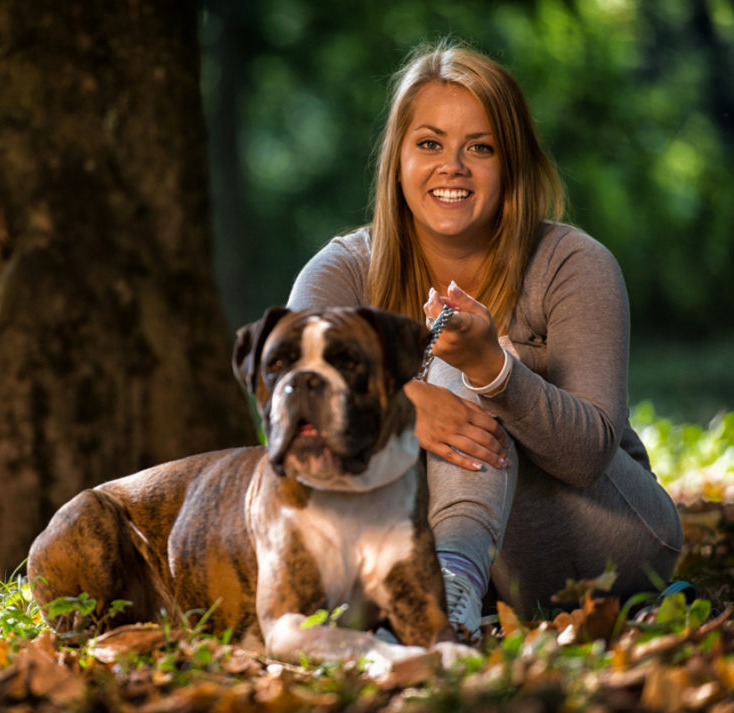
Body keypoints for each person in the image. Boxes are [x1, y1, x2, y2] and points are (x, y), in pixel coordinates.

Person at [286, 39, 683, 638]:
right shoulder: (342, 272)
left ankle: (452, 589)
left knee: (452, 355)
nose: (453, 166)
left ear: (511, 164)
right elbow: (290, 412)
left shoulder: (574, 265)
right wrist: (400, 405)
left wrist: (493, 371)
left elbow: (588, 457)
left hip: (603, 534)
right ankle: (446, 590)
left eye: (480, 147)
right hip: (403, 549)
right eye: (429, 144)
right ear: (397, 159)